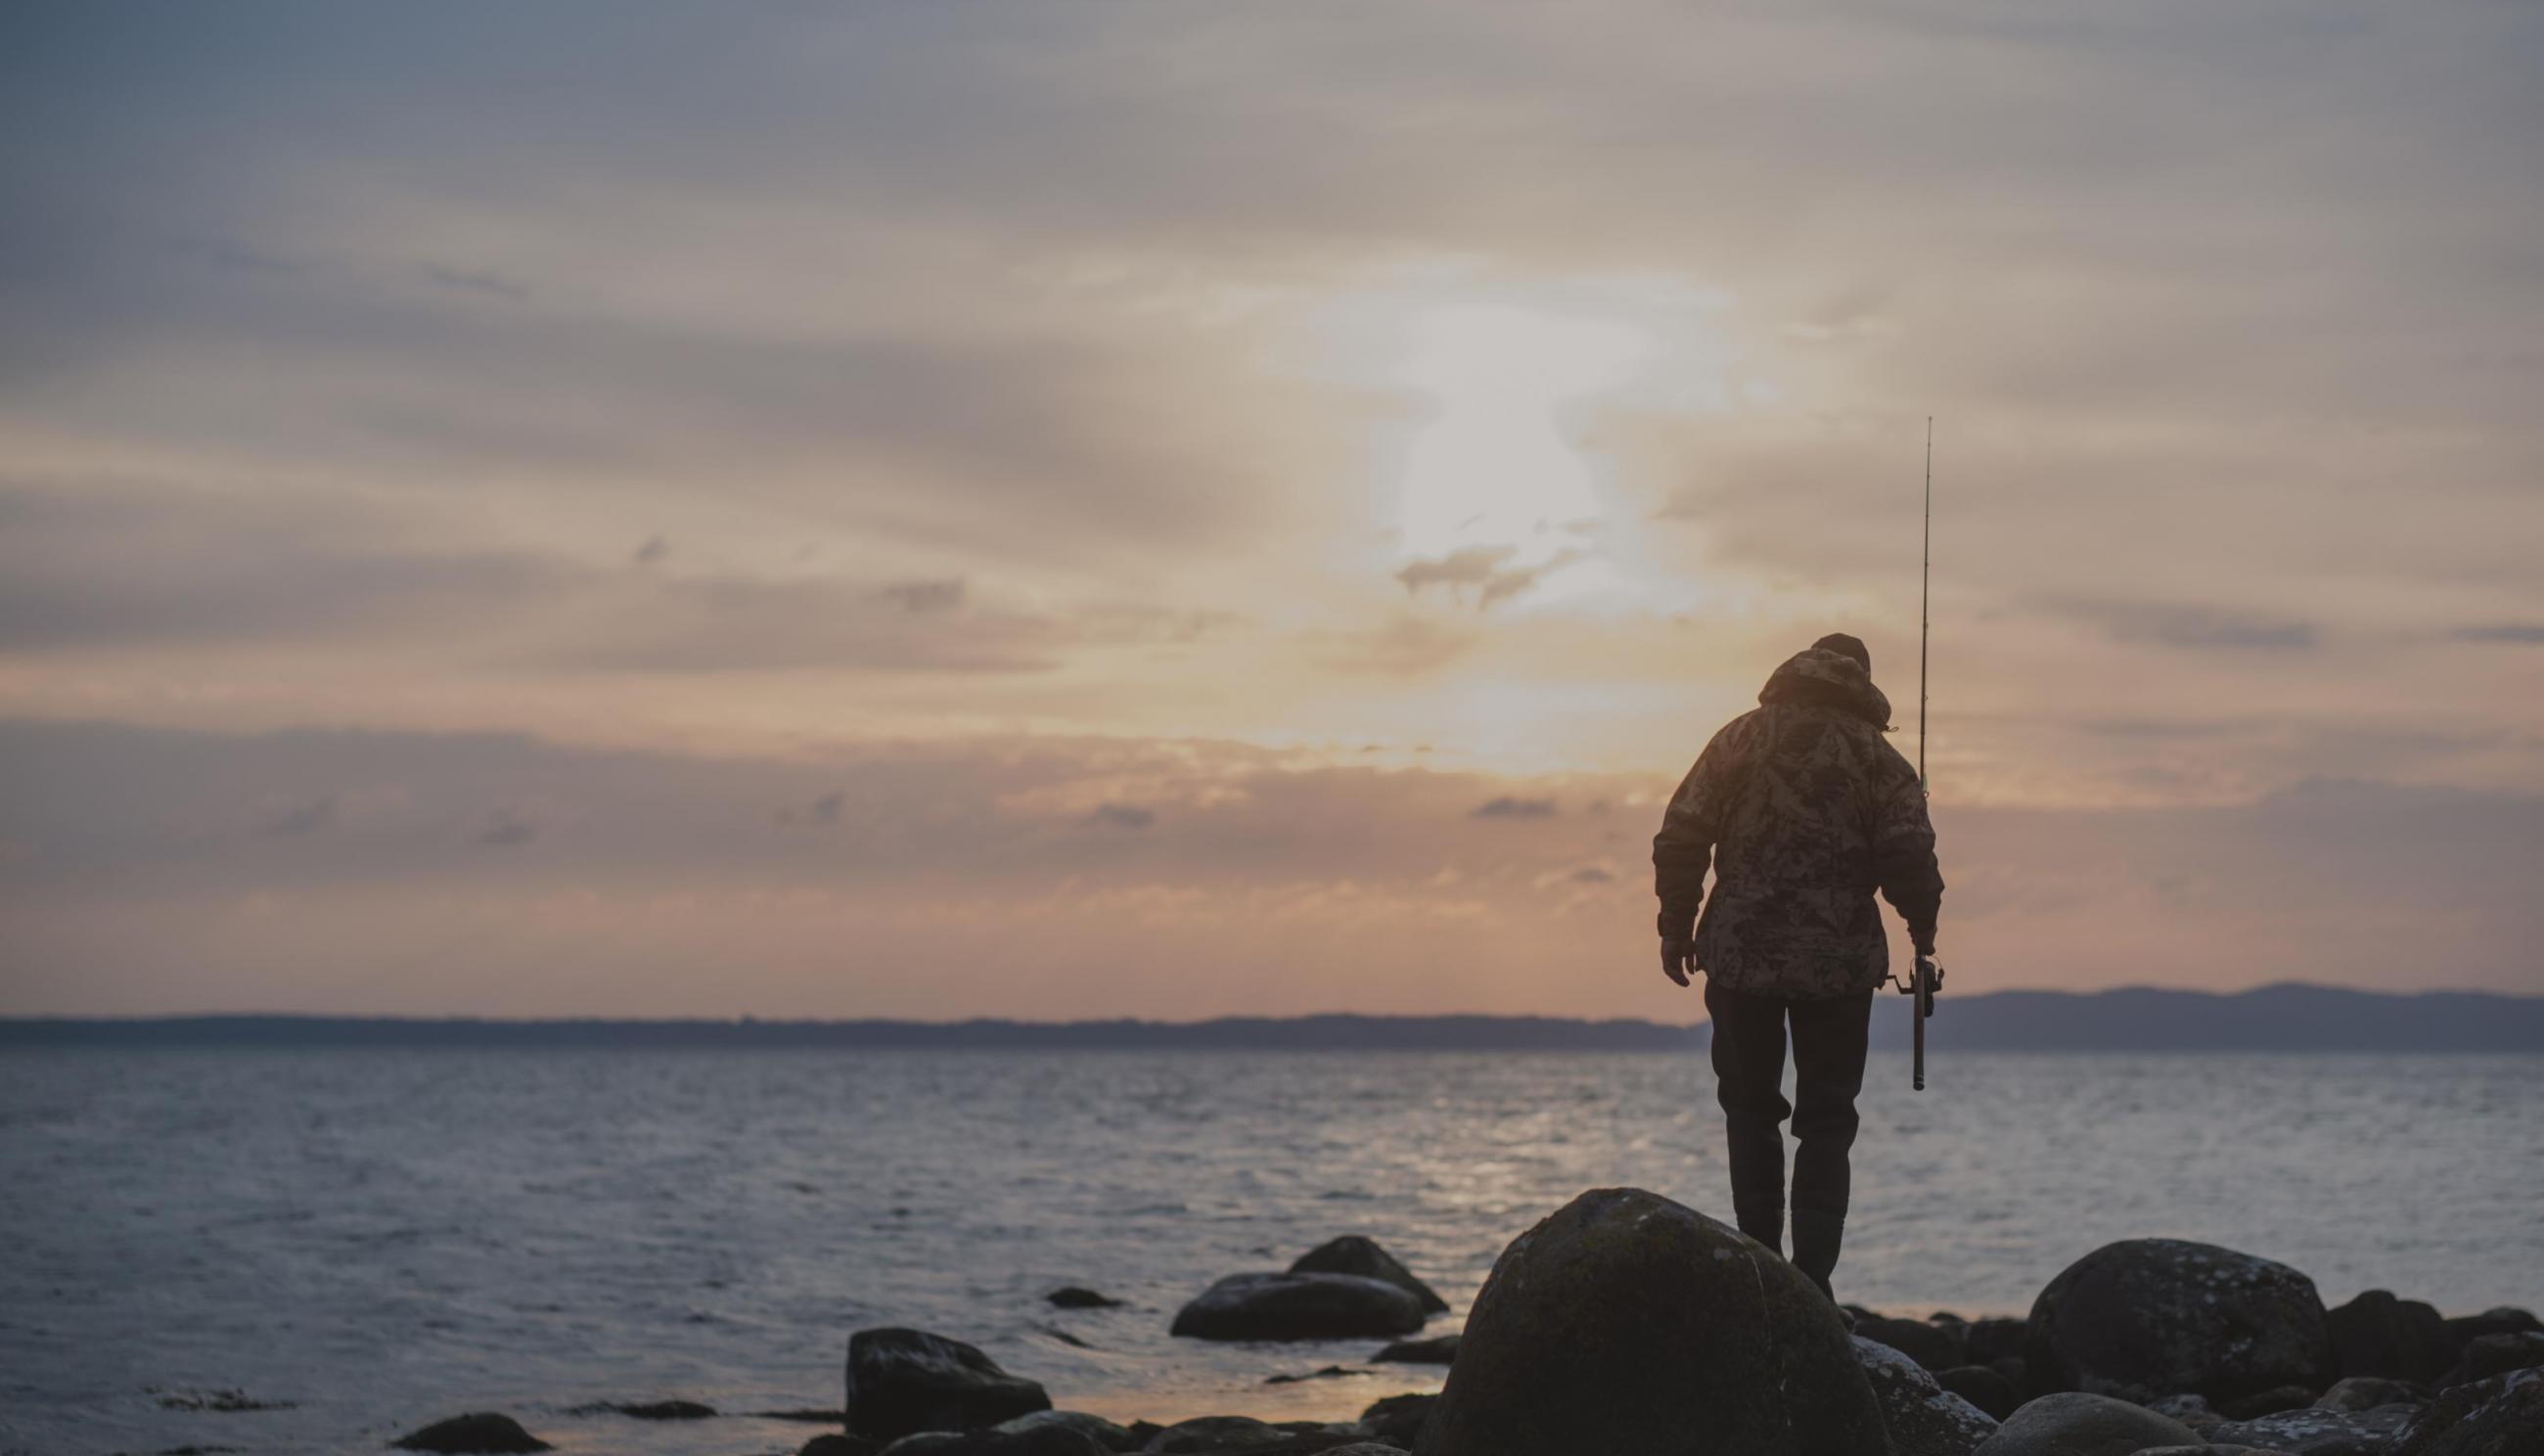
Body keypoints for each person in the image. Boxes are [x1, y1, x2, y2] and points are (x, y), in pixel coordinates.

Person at [1651, 632, 1943, 1299]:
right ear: (1862, 683)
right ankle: (1811, 1286)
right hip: (1838, 964)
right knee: (1827, 1119)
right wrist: (1922, 927)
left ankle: (1759, 1268)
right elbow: (1907, 853)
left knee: (1749, 1110)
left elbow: (1682, 835)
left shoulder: (1738, 739)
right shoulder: (1878, 756)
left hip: (1737, 953)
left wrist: (1675, 926)